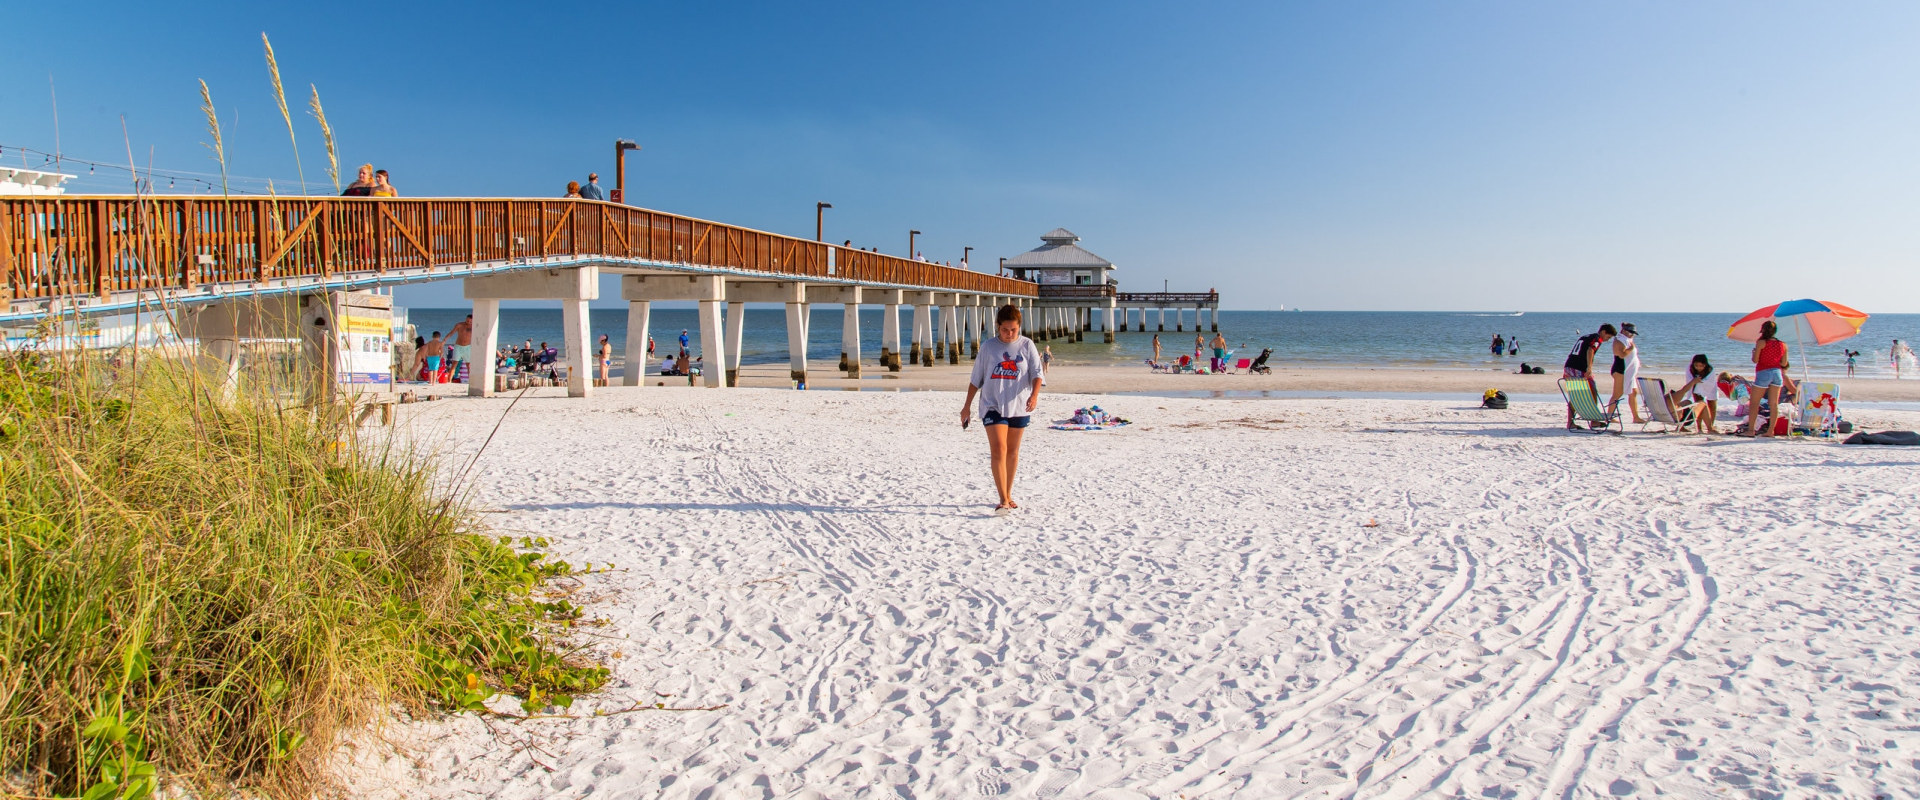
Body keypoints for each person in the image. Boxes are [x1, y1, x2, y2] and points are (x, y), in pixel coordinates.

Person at [960, 304, 1044, 512]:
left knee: (1012, 452)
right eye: (1005, 330)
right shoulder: (988, 347)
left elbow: (1037, 373)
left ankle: (1009, 493)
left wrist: (1034, 396)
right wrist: (966, 407)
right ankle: (1003, 499)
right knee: (999, 449)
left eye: (1013, 330)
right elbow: (976, 379)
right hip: (992, 404)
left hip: (1019, 405)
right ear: (998, 326)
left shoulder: (1027, 345)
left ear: (1019, 327)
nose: (1009, 334)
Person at [1563, 324, 1616, 430]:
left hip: (1569, 366)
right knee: (1592, 392)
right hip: (1579, 368)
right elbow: (1590, 350)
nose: (1607, 340)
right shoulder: (1597, 339)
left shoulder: (1586, 336)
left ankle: (1570, 422)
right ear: (1603, 332)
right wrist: (1589, 368)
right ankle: (1593, 420)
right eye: (1608, 337)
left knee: (1575, 395)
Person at [1742, 320, 1790, 437]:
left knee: (1754, 403)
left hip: (1764, 372)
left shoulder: (1761, 342)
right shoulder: (1783, 344)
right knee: (1774, 404)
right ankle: (1770, 431)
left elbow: (1756, 360)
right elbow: (1784, 363)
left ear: (1763, 330)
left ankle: (1751, 430)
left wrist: (1753, 353)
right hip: (1777, 373)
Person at [1671, 354, 1720, 434]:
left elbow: (1710, 382)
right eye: (1696, 365)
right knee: (1699, 405)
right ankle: (1699, 427)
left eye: (1701, 366)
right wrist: (1695, 381)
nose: (1699, 368)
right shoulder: (1690, 368)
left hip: (1709, 386)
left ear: (1705, 365)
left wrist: (1699, 381)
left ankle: (1711, 425)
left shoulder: (1710, 369)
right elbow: (1689, 381)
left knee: (1712, 406)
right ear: (1693, 364)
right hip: (1695, 386)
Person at [1609, 322, 1645, 424]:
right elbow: (1621, 354)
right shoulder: (1619, 340)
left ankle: (1636, 417)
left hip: (1629, 372)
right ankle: (1610, 416)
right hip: (1621, 370)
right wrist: (1630, 349)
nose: (1632, 335)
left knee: (1633, 393)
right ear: (1624, 331)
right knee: (1617, 394)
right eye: (1630, 333)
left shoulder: (1627, 339)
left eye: (1633, 333)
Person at [449, 314, 474, 380]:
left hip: (468, 347)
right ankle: (449, 380)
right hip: (458, 346)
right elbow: (452, 333)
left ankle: (470, 381)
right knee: (454, 364)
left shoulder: (474, 327)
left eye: (470, 321)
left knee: (469, 365)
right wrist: (444, 340)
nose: (468, 322)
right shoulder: (459, 325)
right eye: (467, 320)